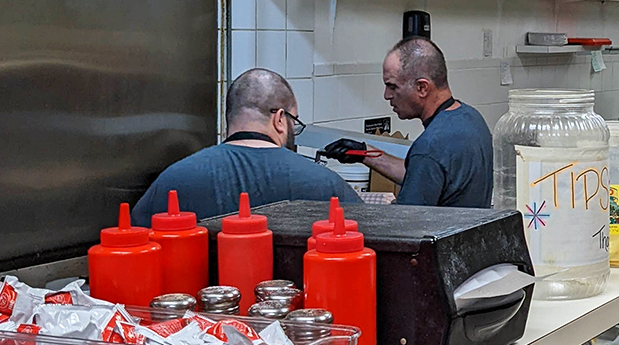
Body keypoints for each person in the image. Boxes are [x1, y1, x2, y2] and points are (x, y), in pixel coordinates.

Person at [132, 68, 360, 225]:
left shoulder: (173, 181)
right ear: (279, 119)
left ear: (230, 116)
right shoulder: (326, 184)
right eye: (294, 121)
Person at [323, 37, 493, 207]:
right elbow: (423, 178)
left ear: (422, 88)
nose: (387, 95)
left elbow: (407, 219)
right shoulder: (472, 119)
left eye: (393, 86)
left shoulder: (431, 146)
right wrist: (364, 153)